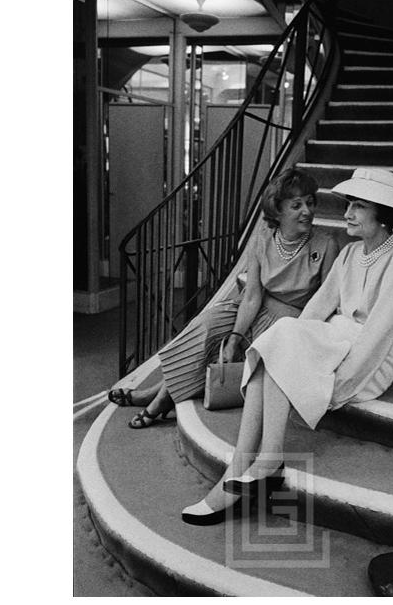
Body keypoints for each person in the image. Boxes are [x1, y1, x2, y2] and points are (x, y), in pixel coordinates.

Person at [182, 167, 393, 525]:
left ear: (383, 214)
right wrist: (295, 343)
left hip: (377, 357)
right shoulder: (351, 252)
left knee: (284, 344)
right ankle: (253, 461)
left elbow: (379, 335)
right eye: (349, 205)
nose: (347, 213)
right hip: (336, 338)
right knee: (280, 337)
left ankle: (256, 465)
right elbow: (318, 308)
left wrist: (340, 384)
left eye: (357, 206)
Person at [108, 168, 339, 428]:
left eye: (310, 202)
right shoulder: (262, 240)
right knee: (206, 326)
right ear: (278, 210)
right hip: (253, 305)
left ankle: (157, 398)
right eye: (296, 205)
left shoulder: (326, 245)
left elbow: (325, 303)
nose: (307, 211)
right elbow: (251, 296)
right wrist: (235, 337)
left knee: (226, 355)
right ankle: (157, 395)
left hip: (288, 321)